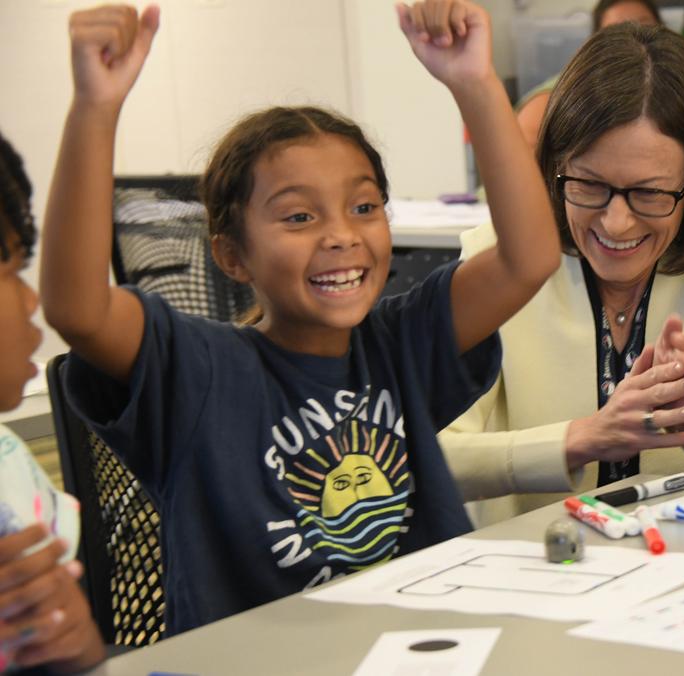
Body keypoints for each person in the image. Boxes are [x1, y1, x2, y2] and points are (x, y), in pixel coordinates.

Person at [39, 0, 558, 635]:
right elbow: (77, 307)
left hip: (415, 647)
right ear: (232, 256)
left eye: (364, 206)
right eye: (298, 216)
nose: (342, 235)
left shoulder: (401, 344)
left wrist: (474, 83)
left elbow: (530, 257)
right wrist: (97, 107)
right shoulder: (200, 374)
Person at [443, 23, 684, 525]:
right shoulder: (496, 263)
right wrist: (584, 437)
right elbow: (428, 459)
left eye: (649, 193)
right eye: (587, 184)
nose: (615, 222)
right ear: (556, 165)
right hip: (532, 570)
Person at [0, 132, 105, 673]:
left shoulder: (9, 463)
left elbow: (78, 657)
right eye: (12, 270)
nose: (30, 299)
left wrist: (66, 632)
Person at [515, 0, 661, 148]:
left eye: (644, 26)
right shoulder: (562, 92)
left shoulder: (677, 82)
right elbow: (523, 149)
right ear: (597, 42)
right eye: (617, 32)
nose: (634, 38)